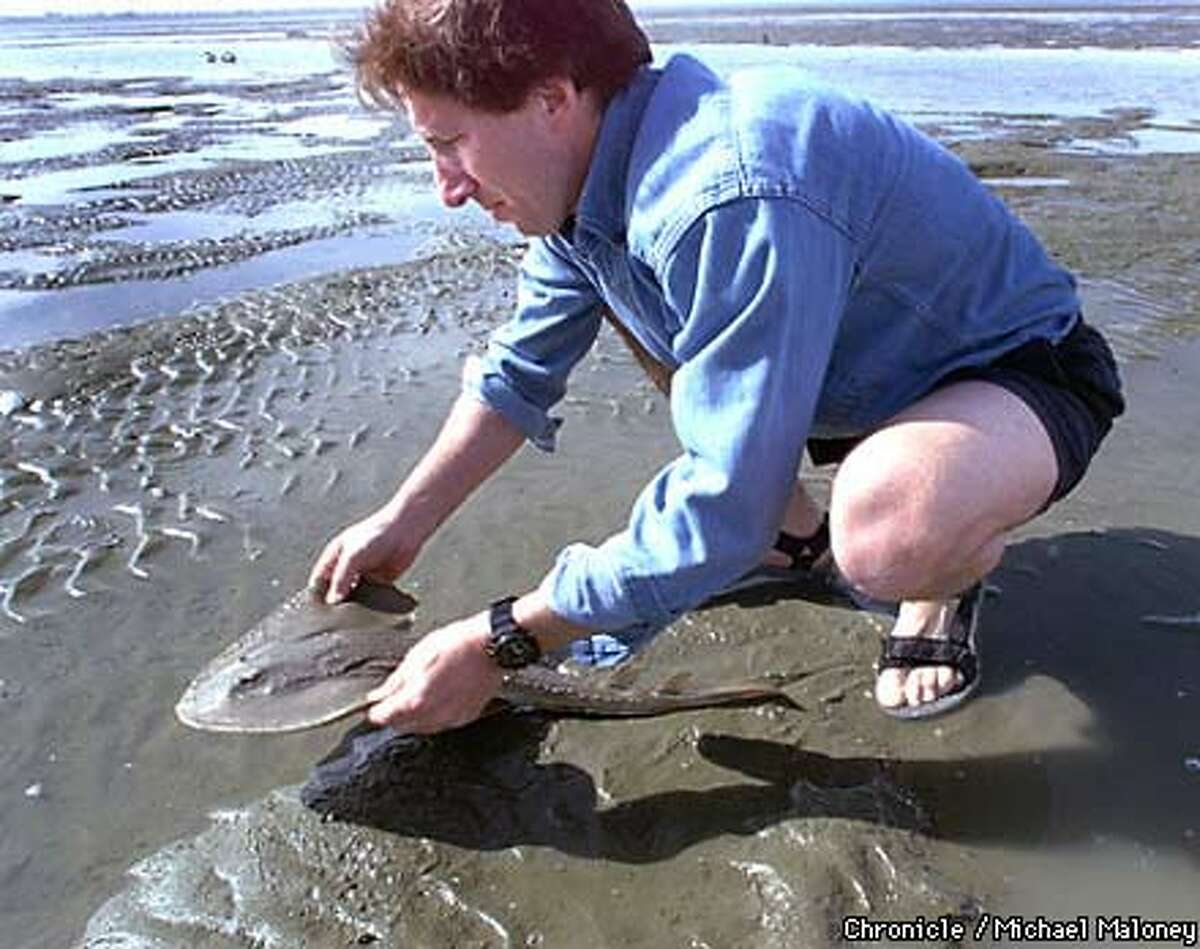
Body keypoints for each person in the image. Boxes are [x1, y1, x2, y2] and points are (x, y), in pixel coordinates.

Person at [309, 0, 1124, 733]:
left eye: (450, 143)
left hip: (1016, 375)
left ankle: (945, 576)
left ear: (552, 99)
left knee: (885, 538)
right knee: (664, 339)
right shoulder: (580, 184)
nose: (446, 187)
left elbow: (718, 507)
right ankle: (798, 538)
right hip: (848, 374)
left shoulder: (728, 187)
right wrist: (403, 519)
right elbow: (521, 369)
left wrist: (506, 638)